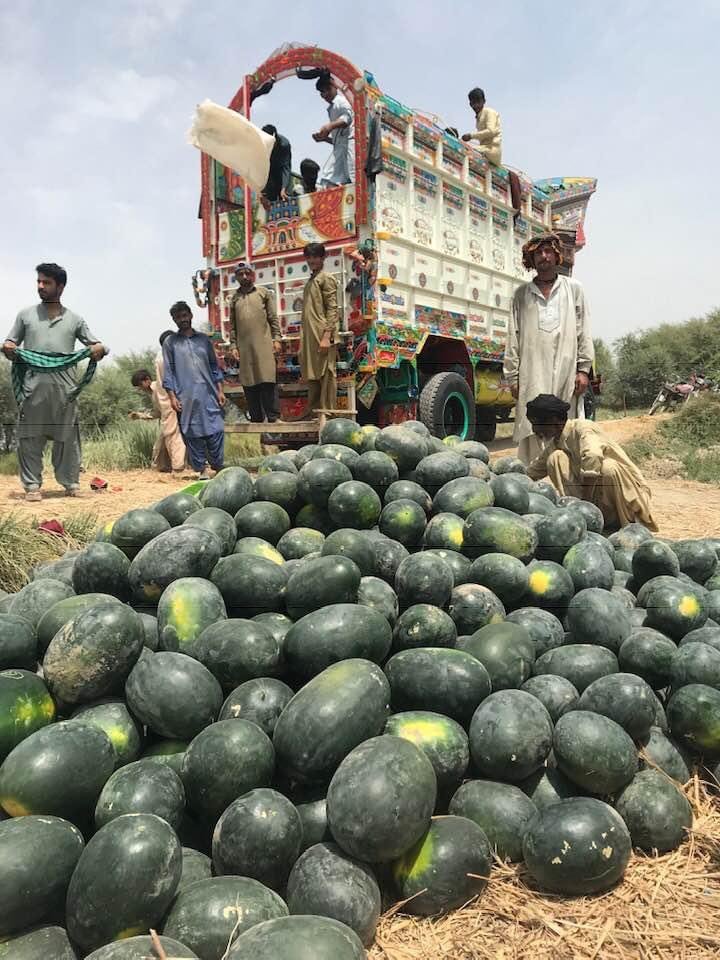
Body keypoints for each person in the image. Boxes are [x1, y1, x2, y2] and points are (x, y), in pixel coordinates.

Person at [2, 262, 107, 502]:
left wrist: (99, 349)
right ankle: (32, 486)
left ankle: (71, 484)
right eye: (39, 281)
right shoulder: (25, 316)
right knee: (29, 438)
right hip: (32, 391)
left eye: (46, 282)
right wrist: (8, 347)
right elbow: (11, 343)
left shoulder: (75, 319)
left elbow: (96, 345)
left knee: (68, 439)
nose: (40, 286)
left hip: (65, 392)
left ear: (60, 286)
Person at [504, 232, 594, 464]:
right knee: (532, 421)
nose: (544, 256)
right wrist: (512, 377)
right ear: (531, 259)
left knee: (565, 423)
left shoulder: (573, 289)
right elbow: (513, 337)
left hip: (566, 370)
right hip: (532, 371)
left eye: (548, 251)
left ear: (556, 256)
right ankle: (533, 478)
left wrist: (583, 370)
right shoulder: (521, 295)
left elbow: (584, 329)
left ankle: (567, 475)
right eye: (538, 253)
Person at [525, 394, 657, 531]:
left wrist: (586, 505)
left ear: (553, 420)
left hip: (628, 499)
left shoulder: (583, 428)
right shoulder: (556, 444)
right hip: (599, 505)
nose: (534, 430)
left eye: (536, 424)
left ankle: (626, 524)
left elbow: (593, 455)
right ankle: (582, 519)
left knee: (608, 468)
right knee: (555, 458)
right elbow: (532, 472)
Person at [162, 301, 225, 479]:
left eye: (184, 315)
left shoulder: (204, 340)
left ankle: (218, 467)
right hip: (186, 395)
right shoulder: (170, 343)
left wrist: (220, 390)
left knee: (216, 428)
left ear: (190, 315)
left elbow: (214, 366)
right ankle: (202, 469)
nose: (182, 319)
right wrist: (172, 397)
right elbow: (169, 371)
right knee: (192, 431)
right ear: (174, 320)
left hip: (209, 393)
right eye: (178, 317)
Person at [230, 263, 281, 423]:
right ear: (236, 277)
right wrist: (233, 346)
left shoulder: (263, 293)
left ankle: (274, 418)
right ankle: (256, 421)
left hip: (264, 346)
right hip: (244, 349)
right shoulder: (234, 299)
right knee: (249, 383)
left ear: (252, 274)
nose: (244, 277)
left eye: (247, 273)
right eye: (240, 274)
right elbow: (233, 326)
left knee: (267, 380)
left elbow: (273, 318)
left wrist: (277, 338)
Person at [301, 243, 339, 414]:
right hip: (310, 335)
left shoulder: (326, 278)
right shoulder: (312, 280)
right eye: (309, 257)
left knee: (326, 373)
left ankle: (328, 414)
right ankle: (315, 413)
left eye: (315, 257)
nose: (311, 260)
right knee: (313, 374)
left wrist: (326, 336)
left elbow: (332, 309)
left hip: (322, 333)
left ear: (323, 257)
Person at [129, 365, 186, 475]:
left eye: (140, 385)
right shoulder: (152, 393)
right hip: (167, 419)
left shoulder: (159, 388)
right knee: (160, 446)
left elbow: (168, 407)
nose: (140, 389)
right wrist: (140, 415)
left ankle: (178, 468)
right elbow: (158, 412)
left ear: (147, 380)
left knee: (173, 442)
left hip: (173, 417)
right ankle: (164, 468)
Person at [313, 75, 355, 188]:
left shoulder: (341, 101)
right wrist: (325, 138)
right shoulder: (332, 108)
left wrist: (330, 126)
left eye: (328, 89)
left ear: (335, 86)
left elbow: (347, 118)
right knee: (329, 180)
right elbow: (338, 140)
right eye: (322, 92)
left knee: (350, 181)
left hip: (348, 150)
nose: (325, 94)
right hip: (340, 151)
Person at [462, 87, 502, 166]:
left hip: (492, 150)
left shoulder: (489, 112)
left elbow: (491, 131)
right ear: (470, 104)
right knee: (463, 145)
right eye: (473, 103)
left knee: (465, 149)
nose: (476, 105)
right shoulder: (479, 116)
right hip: (484, 148)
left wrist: (470, 136)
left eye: (478, 102)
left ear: (484, 101)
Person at [261, 124, 292, 204]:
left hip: (280, 171)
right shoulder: (260, 144)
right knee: (269, 197)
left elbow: (286, 167)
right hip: (268, 171)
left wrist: (284, 188)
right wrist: (260, 192)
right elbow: (258, 168)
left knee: (285, 195)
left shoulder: (284, 144)